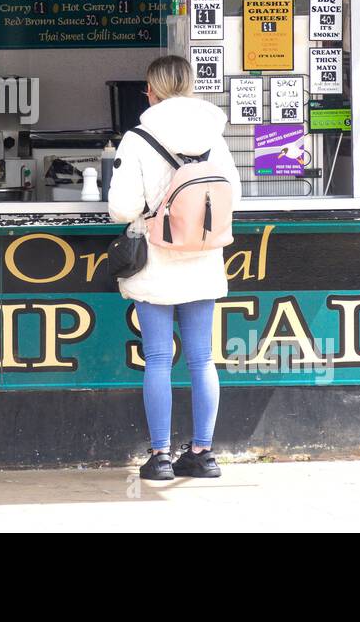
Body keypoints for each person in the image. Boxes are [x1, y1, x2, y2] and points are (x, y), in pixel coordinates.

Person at [107, 54, 243, 482]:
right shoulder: (212, 137)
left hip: (156, 261)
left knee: (160, 359)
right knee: (203, 359)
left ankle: (161, 456)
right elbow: (232, 196)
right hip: (203, 256)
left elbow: (121, 208)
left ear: (152, 89)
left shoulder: (138, 138)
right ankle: (203, 453)